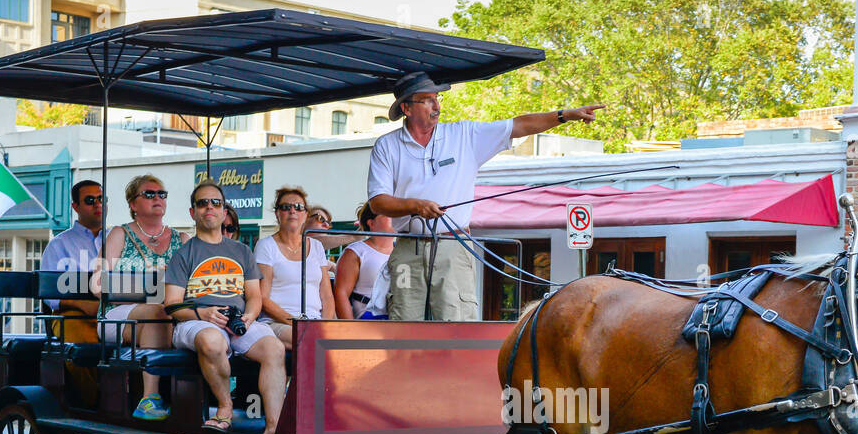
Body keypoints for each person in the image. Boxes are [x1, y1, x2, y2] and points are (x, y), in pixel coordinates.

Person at [367, 71, 603, 321]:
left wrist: (564, 115)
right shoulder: (387, 145)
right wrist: (415, 205)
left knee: (454, 320)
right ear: (406, 107)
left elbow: (519, 125)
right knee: (404, 321)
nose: (436, 105)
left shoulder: (463, 135)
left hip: (453, 244)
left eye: (437, 98)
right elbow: (378, 201)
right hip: (408, 246)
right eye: (427, 99)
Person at [164, 180, 286, 434]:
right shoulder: (183, 254)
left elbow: (254, 296)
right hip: (196, 321)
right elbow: (172, 305)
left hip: (237, 321)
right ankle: (224, 409)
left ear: (223, 210)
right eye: (202, 203)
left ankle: (274, 426)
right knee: (211, 340)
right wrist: (202, 314)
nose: (209, 207)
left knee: (274, 347)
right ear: (192, 212)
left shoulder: (241, 251)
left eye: (215, 202)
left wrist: (250, 316)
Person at [100, 174, 189, 420]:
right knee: (155, 312)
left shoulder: (182, 239)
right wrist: (149, 287)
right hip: (119, 313)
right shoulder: (120, 234)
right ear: (133, 204)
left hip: (171, 311)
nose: (157, 198)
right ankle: (149, 398)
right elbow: (98, 284)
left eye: (162, 194)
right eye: (149, 194)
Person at [256, 186, 343, 346]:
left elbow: (327, 296)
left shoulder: (316, 247)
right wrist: (297, 323)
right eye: (285, 207)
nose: (292, 211)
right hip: (279, 323)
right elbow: (263, 297)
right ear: (277, 214)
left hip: (314, 323)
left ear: (305, 214)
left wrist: (324, 324)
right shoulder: (266, 246)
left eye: (298, 207)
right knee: (310, 340)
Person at [42, 179, 104, 310]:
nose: (98, 204)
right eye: (90, 200)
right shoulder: (58, 245)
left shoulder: (120, 239)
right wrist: (80, 305)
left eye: (101, 199)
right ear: (76, 207)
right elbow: (47, 291)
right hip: (74, 314)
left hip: (117, 314)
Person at [334, 202, 393, 320]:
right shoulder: (356, 251)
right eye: (388, 215)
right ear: (371, 223)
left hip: (399, 316)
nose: (395, 218)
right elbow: (341, 293)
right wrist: (350, 329)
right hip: (369, 317)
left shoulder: (402, 252)